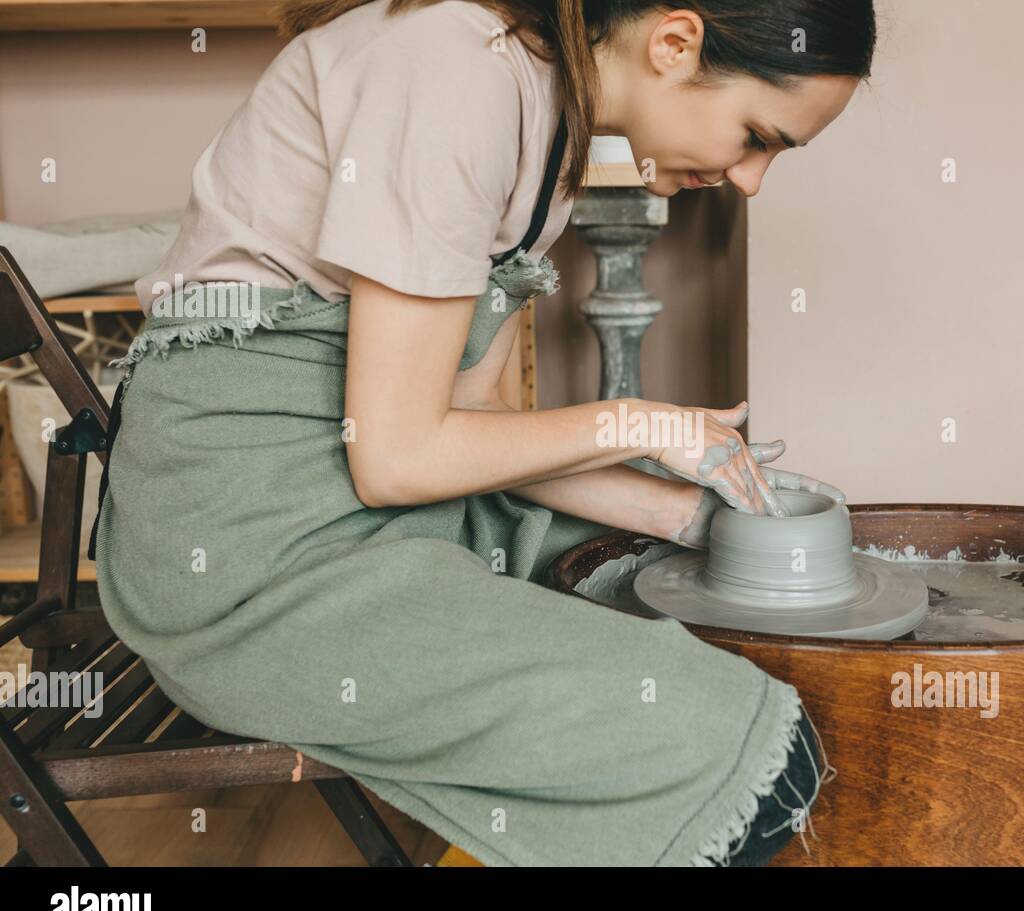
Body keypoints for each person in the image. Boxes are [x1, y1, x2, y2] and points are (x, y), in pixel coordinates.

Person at [92, 0, 876, 866]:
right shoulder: (454, 73)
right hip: (252, 554)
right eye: (758, 136)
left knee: (665, 575)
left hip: (373, 510)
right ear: (675, 43)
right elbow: (398, 458)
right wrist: (640, 423)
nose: (752, 178)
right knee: (758, 765)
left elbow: (475, 428)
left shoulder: (550, 128)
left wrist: (687, 517)